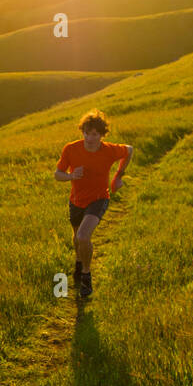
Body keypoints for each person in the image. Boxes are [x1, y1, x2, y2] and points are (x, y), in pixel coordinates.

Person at [53, 110, 133, 298]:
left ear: (102, 135)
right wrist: (71, 176)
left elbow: (129, 150)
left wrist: (118, 176)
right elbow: (58, 174)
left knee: (82, 236)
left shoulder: (109, 150)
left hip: (99, 199)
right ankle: (79, 262)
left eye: (94, 134)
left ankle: (86, 276)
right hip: (76, 200)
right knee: (76, 238)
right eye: (86, 133)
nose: (89, 138)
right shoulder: (71, 149)